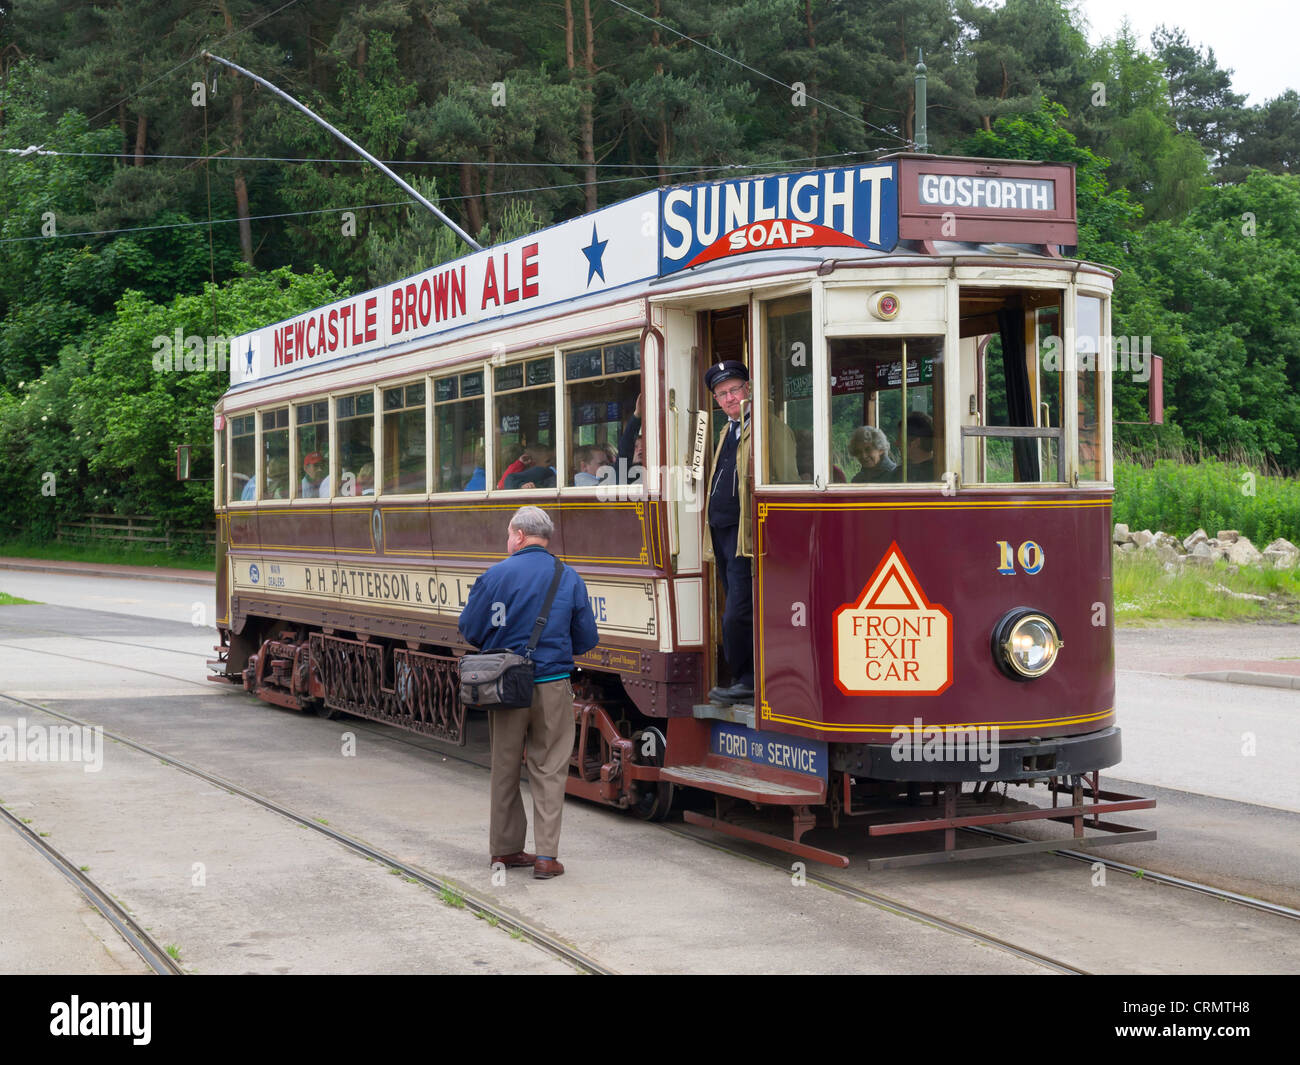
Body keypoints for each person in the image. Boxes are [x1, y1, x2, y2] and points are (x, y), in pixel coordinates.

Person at [458, 506, 599, 880]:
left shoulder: (494, 576)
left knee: (504, 767)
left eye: (508, 535)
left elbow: (469, 629)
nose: (508, 541)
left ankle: (505, 851)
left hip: (505, 685)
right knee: (550, 768)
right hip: (553, 684)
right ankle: (546, 858)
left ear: (518, 535)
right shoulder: (568, 577)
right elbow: (586, 639)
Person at [701, 360, 797, 706]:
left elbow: (785, 478)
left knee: (738, 611)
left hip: (749, 536)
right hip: (724, 534)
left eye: (735, 390)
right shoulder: (728, 430)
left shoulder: (768, 429)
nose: (729, 398)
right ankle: (746, 677)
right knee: (736, 606)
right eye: (722, 393)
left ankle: (746, 680)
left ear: (749, 390)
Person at [893, 411, 936, 482]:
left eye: (900, 439)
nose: (896, 444)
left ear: (916, 442)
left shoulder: (935, 473)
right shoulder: (939, 469)